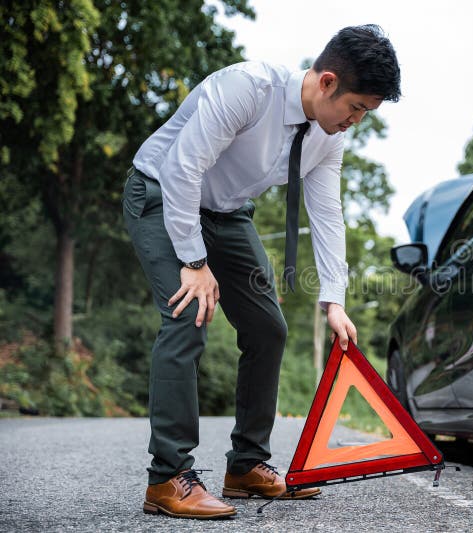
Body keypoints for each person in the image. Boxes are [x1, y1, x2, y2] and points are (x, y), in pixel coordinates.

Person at [122, 24, 401, 519]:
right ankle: (166, 478)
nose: (356, 121)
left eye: (366, 113)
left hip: (227, 213)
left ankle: (246, 466)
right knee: (189, 314)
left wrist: (334, 300)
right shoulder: (248, 89)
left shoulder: (327, 136)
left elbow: (327, 213)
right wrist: (194, 263)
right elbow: (183, 168)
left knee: (268, 328)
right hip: (161, 193)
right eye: (356, 107)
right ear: (328, 82)